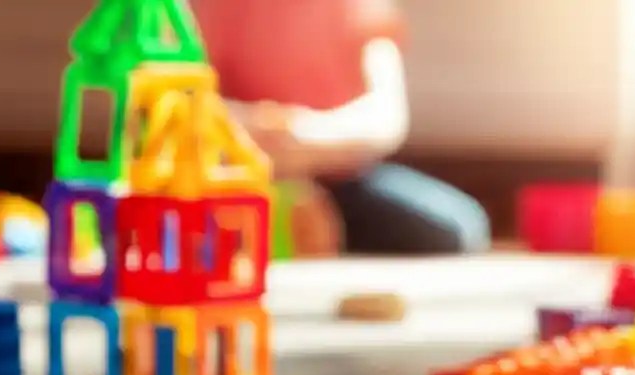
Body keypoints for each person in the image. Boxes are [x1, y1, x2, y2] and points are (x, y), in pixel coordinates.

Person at [190, 0, 491, 255]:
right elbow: (193, 97)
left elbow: (385, 118)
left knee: (455, 228)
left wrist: (306, 137)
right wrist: (256, 128)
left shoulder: (359, 7)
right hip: (246, 178)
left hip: (342, 178)